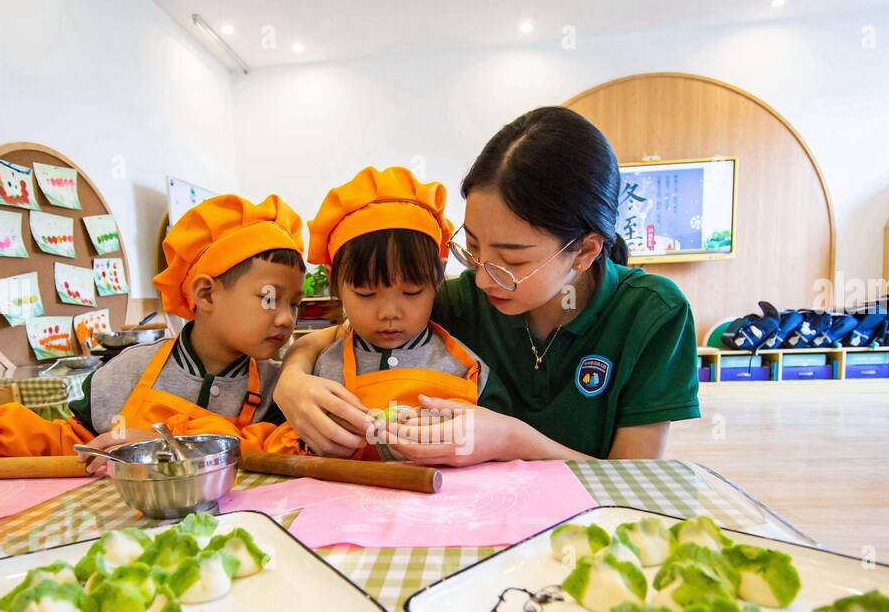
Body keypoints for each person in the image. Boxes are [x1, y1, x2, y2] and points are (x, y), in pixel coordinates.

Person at [272, 106, 700, 464]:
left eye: (512, 260)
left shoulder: (651, 314)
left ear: (585, 251)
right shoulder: (463, 300)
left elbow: (636, 482)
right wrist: (292, 381)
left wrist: (512, 439)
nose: (481, 277)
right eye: (472, 248)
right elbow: (335, 335)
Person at [0, 194, 305, 481]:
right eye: (270, 298)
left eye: (295, 304)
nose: (286, 319)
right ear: (206, 293)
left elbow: (276, 457)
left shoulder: (279, 388)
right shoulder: (126, 372)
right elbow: (75, 447)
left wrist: (164, 445)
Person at [263, 165, 494, 460]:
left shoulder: (466, 367)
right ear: (336, 281)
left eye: (411, 292)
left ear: (438, 279)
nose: (388, 313)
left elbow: (494, 449)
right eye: (366, 294)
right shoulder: (322, 370)